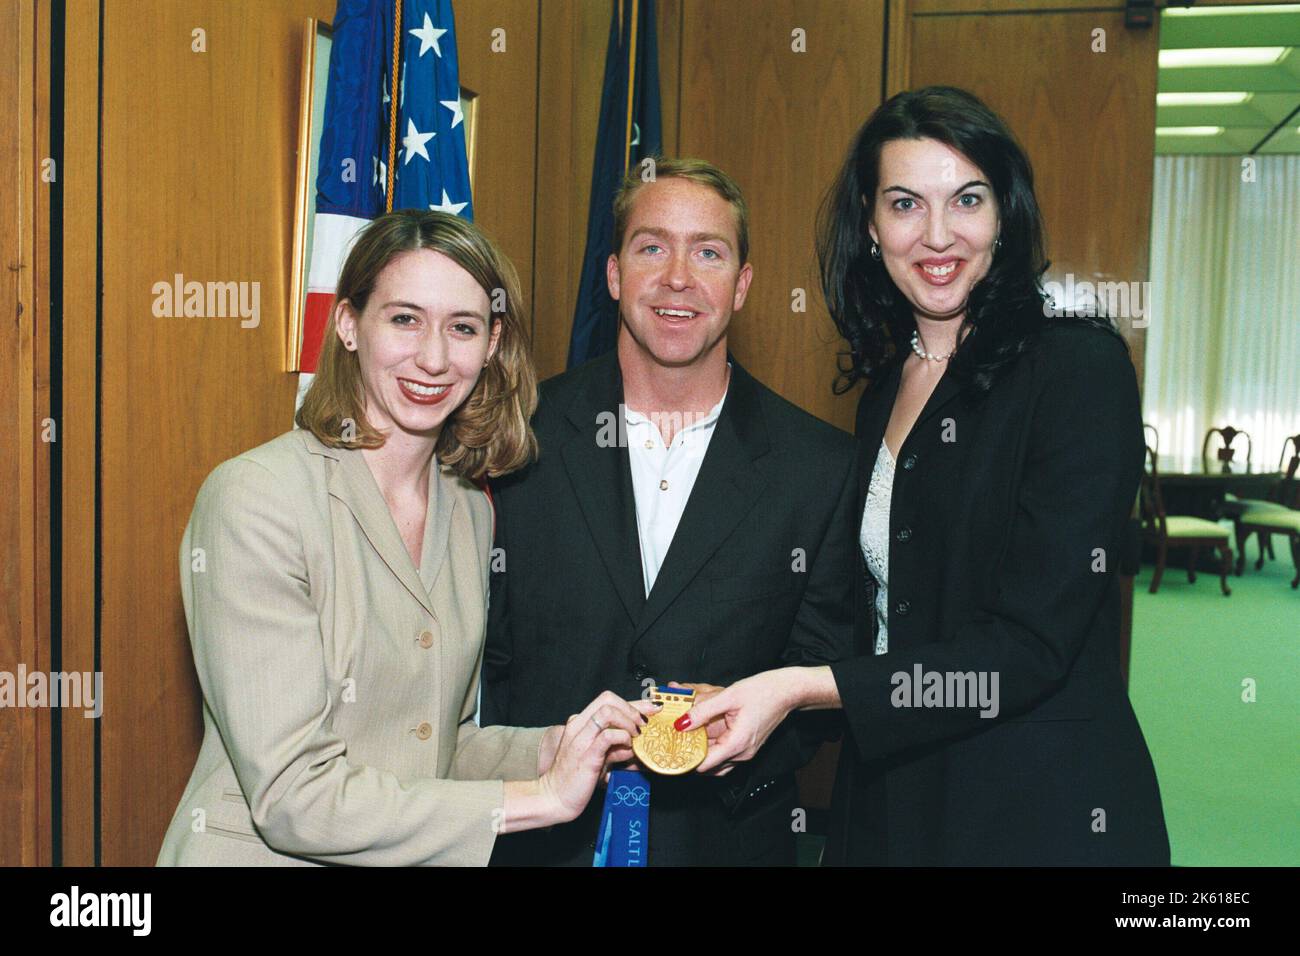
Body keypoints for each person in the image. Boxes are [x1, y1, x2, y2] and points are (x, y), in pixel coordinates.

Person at [677, 87, 1171, 865]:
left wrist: (807, 688)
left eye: (966, 199)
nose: (938, 235)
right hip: (893, 797)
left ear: (1004, 214)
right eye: (906, 204)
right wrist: (735, 683)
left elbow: (1030, 646)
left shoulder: (1076, 367)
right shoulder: (886, 386)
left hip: (1037, 808)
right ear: (871, 228)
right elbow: (878, 616)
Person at [157, 210, 654, 866]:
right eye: (404, 319)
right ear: (347, 326)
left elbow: (432, 745)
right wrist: (541, 799)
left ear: (492, 344)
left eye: (463, 328)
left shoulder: (470, 506)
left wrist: (556, 749)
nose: (434, 357)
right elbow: (293, 796)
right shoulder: (256, 499)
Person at [482, 158, 858, 866]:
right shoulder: (519, 436)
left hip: (726, 841)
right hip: (540, 841)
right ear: (615, 273)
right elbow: (486, 661)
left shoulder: (820, 467)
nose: (678, 276)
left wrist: (747, 738)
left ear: (742, 285)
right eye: (652, 246)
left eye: (708, 252)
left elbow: (826, 675)